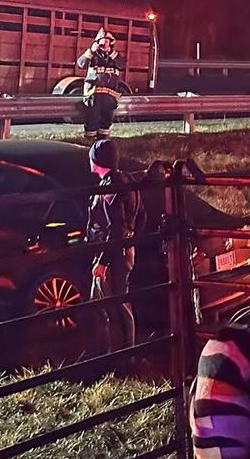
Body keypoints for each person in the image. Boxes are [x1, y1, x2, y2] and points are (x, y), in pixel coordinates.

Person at [86, 138, 144, 352]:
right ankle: (109, 350)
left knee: (114, 306)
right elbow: (142, 215)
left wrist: (103, 261)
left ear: (98, 161)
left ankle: (119, 353)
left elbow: (116, 226)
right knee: (101, 303)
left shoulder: (111, 186)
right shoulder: (126, 180)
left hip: (112, 254)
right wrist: (132, 241)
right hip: (121, 250)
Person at [76, 28, 126, 140]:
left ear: (111, 43)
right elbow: (81, 63)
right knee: (91, 120)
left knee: (106, 121)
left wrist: (111, 52)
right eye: (102, 42)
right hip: (94, 94)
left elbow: (122, 65)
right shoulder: (92, 56)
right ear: (97, 43)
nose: (105, 44)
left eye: (107, 41)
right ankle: (89, 143)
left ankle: (103, 143)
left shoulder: (115, 57)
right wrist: (91, 51)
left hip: (110, 96)